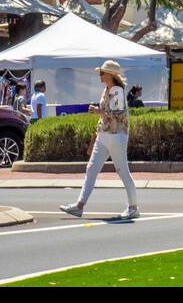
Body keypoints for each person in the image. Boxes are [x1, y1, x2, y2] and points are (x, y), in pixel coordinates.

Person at [59, 60, 140, 220]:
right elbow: (106, 116)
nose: (100, 75)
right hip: (105, 135)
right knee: (91, 169)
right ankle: (79, 205)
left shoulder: (117, 90)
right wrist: (95, 134)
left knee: (122, 171)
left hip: (116, 135)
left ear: (110, 74)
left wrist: (98, 111)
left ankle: (133, 207)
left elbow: (117, 114)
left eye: (102, 72)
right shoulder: (107, 90)